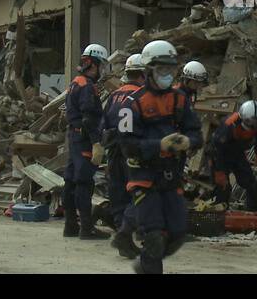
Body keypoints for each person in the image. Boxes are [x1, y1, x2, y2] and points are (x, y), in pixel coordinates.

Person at [118, 40, 202, 274]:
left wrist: (189, 141)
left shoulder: (180, 100)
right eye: (162, 69)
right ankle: (149, 263)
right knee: (153, 235)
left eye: (171, 70)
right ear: (148, 70)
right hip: (144, 177)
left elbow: (195, 132)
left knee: (176, 234)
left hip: (171, 176)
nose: (167, 75)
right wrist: (158, 145)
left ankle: (144, 263)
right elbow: (126, 144)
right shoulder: (131, 104)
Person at [63, 43, 111, 241]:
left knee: (70, 181)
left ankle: (71, 225)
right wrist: (96, 143)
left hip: (74, 137)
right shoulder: (87, 87)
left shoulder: (76, 82)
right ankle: (86, 228)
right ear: (95, 64)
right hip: (84, 139)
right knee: (84, 182)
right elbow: (89, 117)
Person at [101, 53, 144, 258]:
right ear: (143, 74)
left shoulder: (114, 95)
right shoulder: (142, 96)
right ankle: (128, 234)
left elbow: (103, 124)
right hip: (133, 151)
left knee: (118, 191)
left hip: (113, 150)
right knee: (139, 193)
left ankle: (122, 233)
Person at [209, 100, 257, 211]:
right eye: (249, 124)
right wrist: (219, 172)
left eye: (254, 125)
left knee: (251, 184)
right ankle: (220, 214)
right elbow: (216, 150)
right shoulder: (228, 126)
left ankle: (253, 211)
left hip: (238, 154)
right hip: (221, 155)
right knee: (223, 187)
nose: (251, 127)